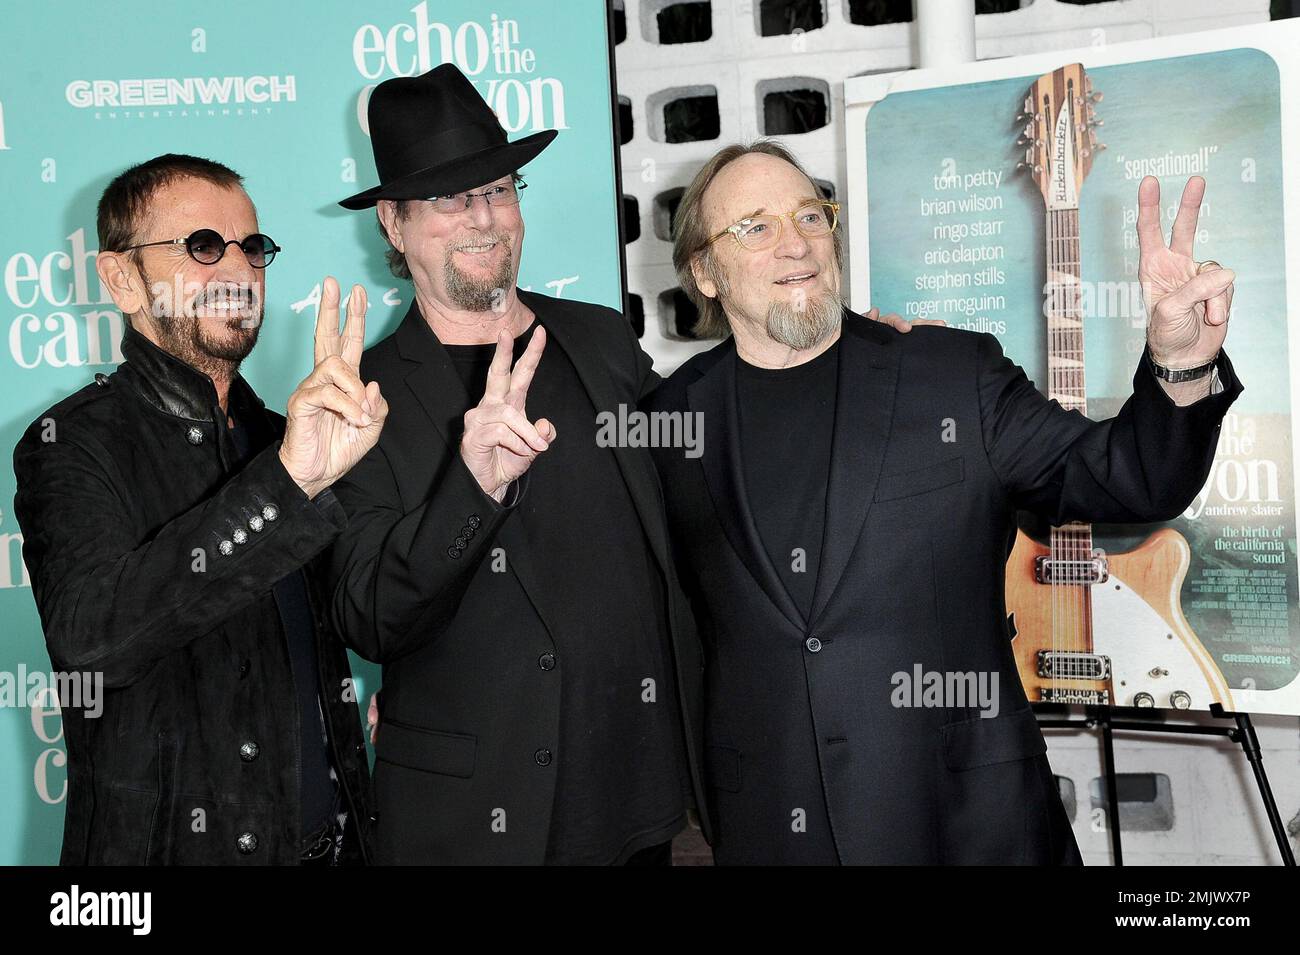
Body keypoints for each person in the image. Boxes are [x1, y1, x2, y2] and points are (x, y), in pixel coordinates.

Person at [642, 139, 1241, 864]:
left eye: (809, 215)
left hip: (970, 827)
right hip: (774, 828)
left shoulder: (949, 374)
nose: (796, 244)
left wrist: (1181, 362)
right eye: (756, 227)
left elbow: (1131, 477)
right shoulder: (669, 424)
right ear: (705, 270)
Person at [327, 64, 704, 865]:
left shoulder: (600, 339)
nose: (484, 219)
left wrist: (835, 351)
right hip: (470, 823)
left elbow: (708, 461)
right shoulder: (360, 395)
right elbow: (367, 615)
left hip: (637, 803)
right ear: (393, 224)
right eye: (450, 200)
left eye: (499, 189)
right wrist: (473, 484)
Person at [12, 153, 388, 865]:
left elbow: (362, 621)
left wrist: (479, 480)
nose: (239, 271)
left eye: (252, 248)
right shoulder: (69, 443)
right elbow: (94, 641)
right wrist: (284, 483)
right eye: (202, 247)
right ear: (121, 277)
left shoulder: (285, 438)